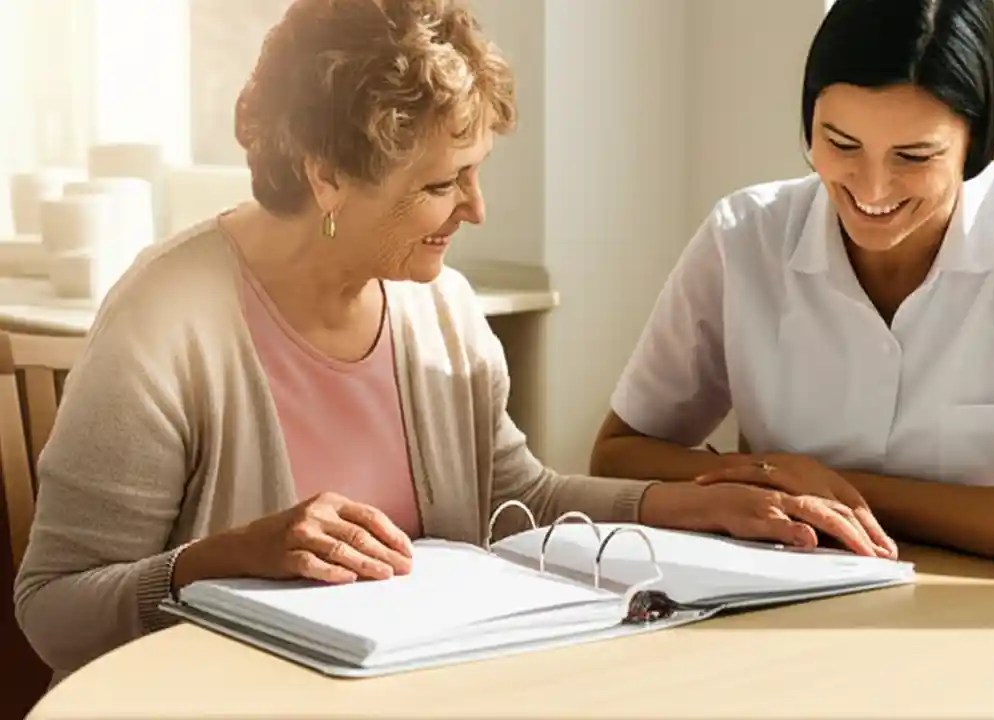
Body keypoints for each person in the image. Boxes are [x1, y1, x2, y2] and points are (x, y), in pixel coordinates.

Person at [15, 0, 863, 681]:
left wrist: (691, 504)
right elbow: (52, 610)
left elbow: (510, 498)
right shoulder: (165, 326)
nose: (477, 208)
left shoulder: (443, 313)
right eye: (441, 182)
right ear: (326, 174)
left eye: (477, 171)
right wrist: (217, 561)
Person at [591, 0, 994, 579]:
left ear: (977, 143)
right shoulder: (745, 237)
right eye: (840, 144)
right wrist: (769, 478)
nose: (872, 186)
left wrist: (836, 495)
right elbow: (616, 457)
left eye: (914, 156)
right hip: (785, 612)